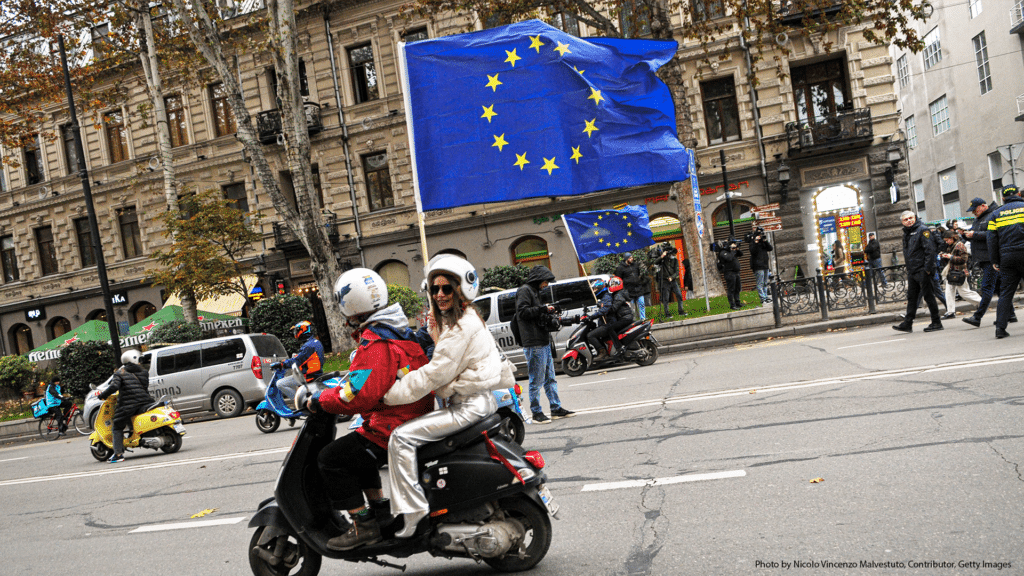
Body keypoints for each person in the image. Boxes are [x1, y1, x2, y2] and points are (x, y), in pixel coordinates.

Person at [306, 268, 435, 551]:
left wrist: (320, 400)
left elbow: (356, 396)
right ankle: (379, 510)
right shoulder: (399, 330)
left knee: (331, 458)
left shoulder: (376, 342)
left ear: (349, 305)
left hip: (393, 425)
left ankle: (363, 525)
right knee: (358, 453)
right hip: (406, 418)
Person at [383, 255, 511, 538]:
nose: (439, 294)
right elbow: (450, 361)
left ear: (461, 290)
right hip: (477, 402)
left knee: (401, 438)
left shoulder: (461, 328)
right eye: (434, 289)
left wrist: (388, 395)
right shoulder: (465, 320)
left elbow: (435, 374)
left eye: (446, 289)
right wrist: (435, 330)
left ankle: (413, 507)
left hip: (467, 407)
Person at [515, 265, 574, 424]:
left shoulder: (535, 292)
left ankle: (556, 408)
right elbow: (523, 312)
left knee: (550, 378)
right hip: (533, 342)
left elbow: (535, 311)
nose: (547, 284)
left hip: (543, 340)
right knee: (536, 379)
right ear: (539, 279)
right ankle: (536, 412)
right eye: (546, 281)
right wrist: (543, 309)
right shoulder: (524, 291)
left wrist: (547, 310)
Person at [962, 196, 1017, 327]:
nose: (974, 213)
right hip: (984, 258)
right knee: (999, 288)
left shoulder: (993, 215)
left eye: (975, 210)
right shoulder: (979, 219)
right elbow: (978, 234)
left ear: (983, 206)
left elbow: (993, 234)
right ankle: (1011, 314)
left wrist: (974, 235)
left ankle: (977, 317)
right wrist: (966, 235)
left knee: (987, 288)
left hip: (990, 258)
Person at [97, 350, 155, 463]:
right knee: (129, 417)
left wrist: (102, 395)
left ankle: (118, 454)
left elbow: (114, 387)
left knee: (117, 426)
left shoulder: (120, 372)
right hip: (145, 401)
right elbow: (144, 387)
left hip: (129, 404)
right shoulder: (144, 372)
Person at [893, 211, 943, 333]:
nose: (909, 220)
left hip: (923, 270)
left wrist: (927, 269)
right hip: (913, 270)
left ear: (915, 218)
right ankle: (908, 323)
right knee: (912, 297)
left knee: (928, 296)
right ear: (902, 222)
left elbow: (930, 251)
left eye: (911, 218)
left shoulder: (923, 230)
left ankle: (936, 322)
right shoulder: (907, 233)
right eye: (906, 219)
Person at [986, 185, 1024, 338]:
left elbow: (991, 239)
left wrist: (995, 260)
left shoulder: (995, 214)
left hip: (1007, 257)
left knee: (1006, 293)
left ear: (1002, 198)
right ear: (1019, 194)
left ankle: (1000, 329)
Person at [588, 277, 634, 357]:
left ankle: (619, 347)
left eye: (614, 284)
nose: (612, 286)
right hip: (623, 317)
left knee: (610, 328)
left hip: (625, 317)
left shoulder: (619, 295)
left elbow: (612, 309)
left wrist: (602, 307)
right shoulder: (616, 294)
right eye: (611, 284)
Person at [939, 229, 981, 318]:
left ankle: (982, 302)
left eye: (947, 240)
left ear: (952, 238)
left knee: (964, 292)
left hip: (959, 272)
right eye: (945, 240)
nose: (946, 242)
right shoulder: (952, 245)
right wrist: (945, 256)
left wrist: (951, 257)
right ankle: (950, 312)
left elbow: (964, 259)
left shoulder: (960, 245)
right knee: (949, 292)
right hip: (952, 272)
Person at [652, 243, 686, 316]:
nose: (670, 253)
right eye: (668, 251)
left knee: (679, 295)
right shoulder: (663, 260)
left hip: (673, 281)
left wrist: (672, 277)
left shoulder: (675, 260)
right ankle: (667, 313)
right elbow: (655, 263)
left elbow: (677, 271)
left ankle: (681, 310)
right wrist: (662, 256)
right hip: (664, 281)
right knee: (666, 298)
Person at [614, 254, 647, 320]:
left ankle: (643, 318)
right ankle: (633, 320)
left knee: (642, 304)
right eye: (630, 258)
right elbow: (619, 279)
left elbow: (637, 273)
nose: (632, 259)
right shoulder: (620, 268)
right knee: (632, 308)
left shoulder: (635, 265)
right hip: (629, 290)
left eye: (632, 257)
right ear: (626, 259)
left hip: (638, 288)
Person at [716, 239, 743, 310]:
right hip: (729, 273)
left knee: (737, 288)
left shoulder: (732, 251)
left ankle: (738, 302)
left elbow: (741, 254)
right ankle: (732, 305)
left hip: (736, 272)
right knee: (731, 289)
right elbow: (729, 258)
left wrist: (737, 249)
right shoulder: (723, 252)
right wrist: (733, 250)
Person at [748, 229, 773, 304]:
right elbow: (753, 251)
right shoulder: (753, 243)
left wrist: (765, 241)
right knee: (760, 283)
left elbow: (770, 248)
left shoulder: (763, 243)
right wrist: (756, 242)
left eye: (761, 235)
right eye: (759, 235)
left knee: (765, 283)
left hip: (765, 265)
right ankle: (762, 298)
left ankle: (766, 297)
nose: (760, 237)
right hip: (758, 266)